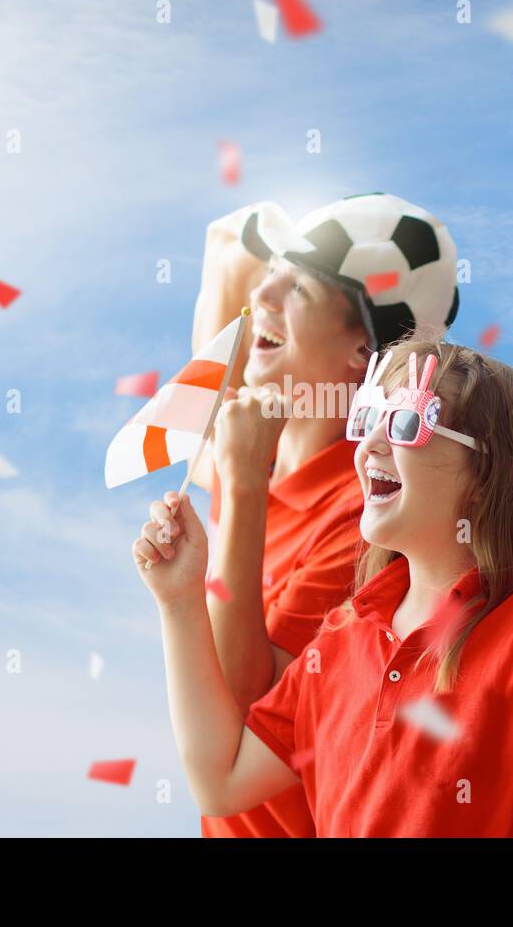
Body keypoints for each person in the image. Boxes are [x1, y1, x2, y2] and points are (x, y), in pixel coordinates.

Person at [133, 337, 513, 836]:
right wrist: (180, 602)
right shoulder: (340, 639)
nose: (368, 444)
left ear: (486, 480)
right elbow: (221, 782)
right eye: (366, 417)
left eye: (407, 422)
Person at [152, 194, 461, 836]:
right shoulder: (253, 458)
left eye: (301, 288)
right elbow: (224, 246)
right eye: (273, 275)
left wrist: (238, 488)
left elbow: (244, 715)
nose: (262, 295)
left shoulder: (367, 512)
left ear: (362, 355)